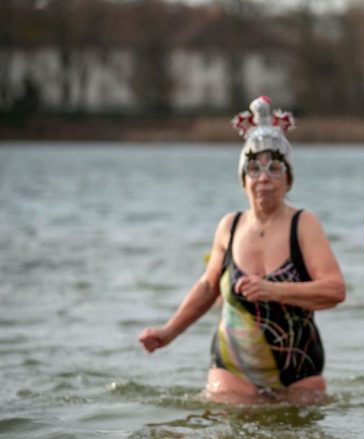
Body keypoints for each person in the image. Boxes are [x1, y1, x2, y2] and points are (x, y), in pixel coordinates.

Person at [139, 96, 346, 405]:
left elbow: (335, 290)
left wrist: (273, 291)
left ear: (288, 180)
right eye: (254, 168)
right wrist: (168, 332)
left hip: (299, 368)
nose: (264, 178)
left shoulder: (303, 224)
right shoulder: (230, 226)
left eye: (275, 168)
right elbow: (208, 287)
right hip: (232, 366)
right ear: (243, 179)